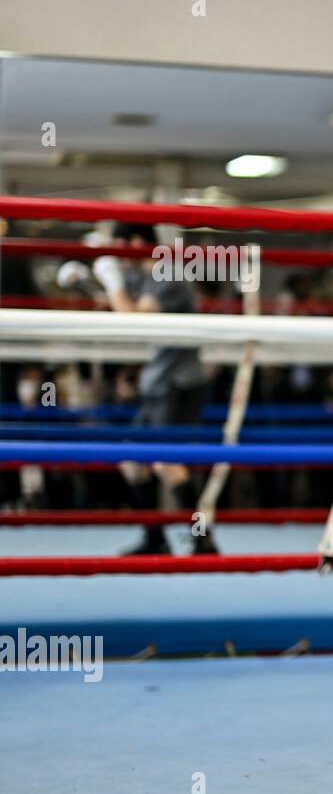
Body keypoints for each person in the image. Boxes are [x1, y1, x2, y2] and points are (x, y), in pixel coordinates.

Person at [58, 223, 219, 555]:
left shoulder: (167, 273)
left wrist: (110, 275)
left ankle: (204, 540)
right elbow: (114, 304)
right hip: (158, 381)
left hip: (180, 382)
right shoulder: (146, 276)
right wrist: (90, 278)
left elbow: (132, 317)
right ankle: (155, 538)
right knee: (132, 460)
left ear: (136, 243)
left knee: (166, 461)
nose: (121, 257)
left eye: (122, 247)